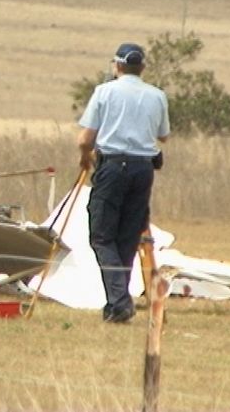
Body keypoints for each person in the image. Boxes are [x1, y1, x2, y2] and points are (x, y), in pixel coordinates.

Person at [77, 43, 169, 323]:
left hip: (113, 166)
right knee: (127, 237)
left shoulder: (104, 92)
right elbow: (163, 135)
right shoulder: (157, 96)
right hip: (143, 169)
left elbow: (85, 139)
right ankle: (116, 304)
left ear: (116, 66)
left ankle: (119, 302)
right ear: (142, 68)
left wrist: (85, 158)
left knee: (102, 236)